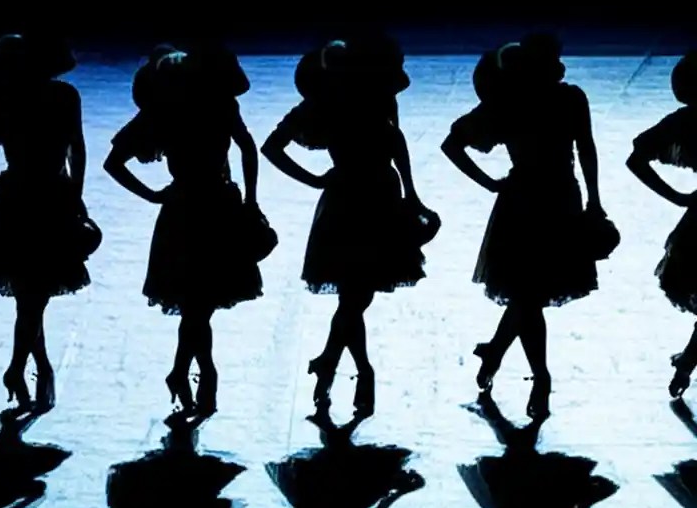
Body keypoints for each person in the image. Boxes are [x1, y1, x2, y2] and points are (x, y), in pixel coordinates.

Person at [264, 34, 435, 414]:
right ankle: (349, 366)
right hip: (364, 196)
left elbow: (395, 141)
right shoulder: (356, 99)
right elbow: (395, 142)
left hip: (357, 196)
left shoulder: (331, 102)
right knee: (356, 295)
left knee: (354, 295)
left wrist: (411, 193)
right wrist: (409, 192)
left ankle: (334, 363)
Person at [442, 34, 610, 418]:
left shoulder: (508, 103)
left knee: (526, 294)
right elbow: (586, 147)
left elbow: (452, 145)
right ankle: (532, 373)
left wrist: (490, 184)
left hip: (522, 200)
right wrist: (595, 200)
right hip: (560, 198)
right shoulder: (569, 98)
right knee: (530, 296)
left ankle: (503, 355)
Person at [104, 44, 265, 419]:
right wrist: (252, 200)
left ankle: (187, 372)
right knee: (199, 304)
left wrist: (152, 195)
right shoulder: (219, 105)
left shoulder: (163, 113)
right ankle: (196, 372)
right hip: (216, 205)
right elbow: (248, 148)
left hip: (183, 208)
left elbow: (114, 162)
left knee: (197, 304)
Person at [0, 34, 95, 413]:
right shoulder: (63, 96)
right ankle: (19, 368)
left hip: (16, 197)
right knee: (34, 295)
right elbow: (77, 147)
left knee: (31, 296)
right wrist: (76, 196)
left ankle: (37, 367)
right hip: (51, 195)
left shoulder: (2, 101)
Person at [627, 51, 697, 397]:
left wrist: (680, 198)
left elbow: (636, 157)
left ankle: (687, 364)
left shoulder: (686, 121)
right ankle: (687, 363)